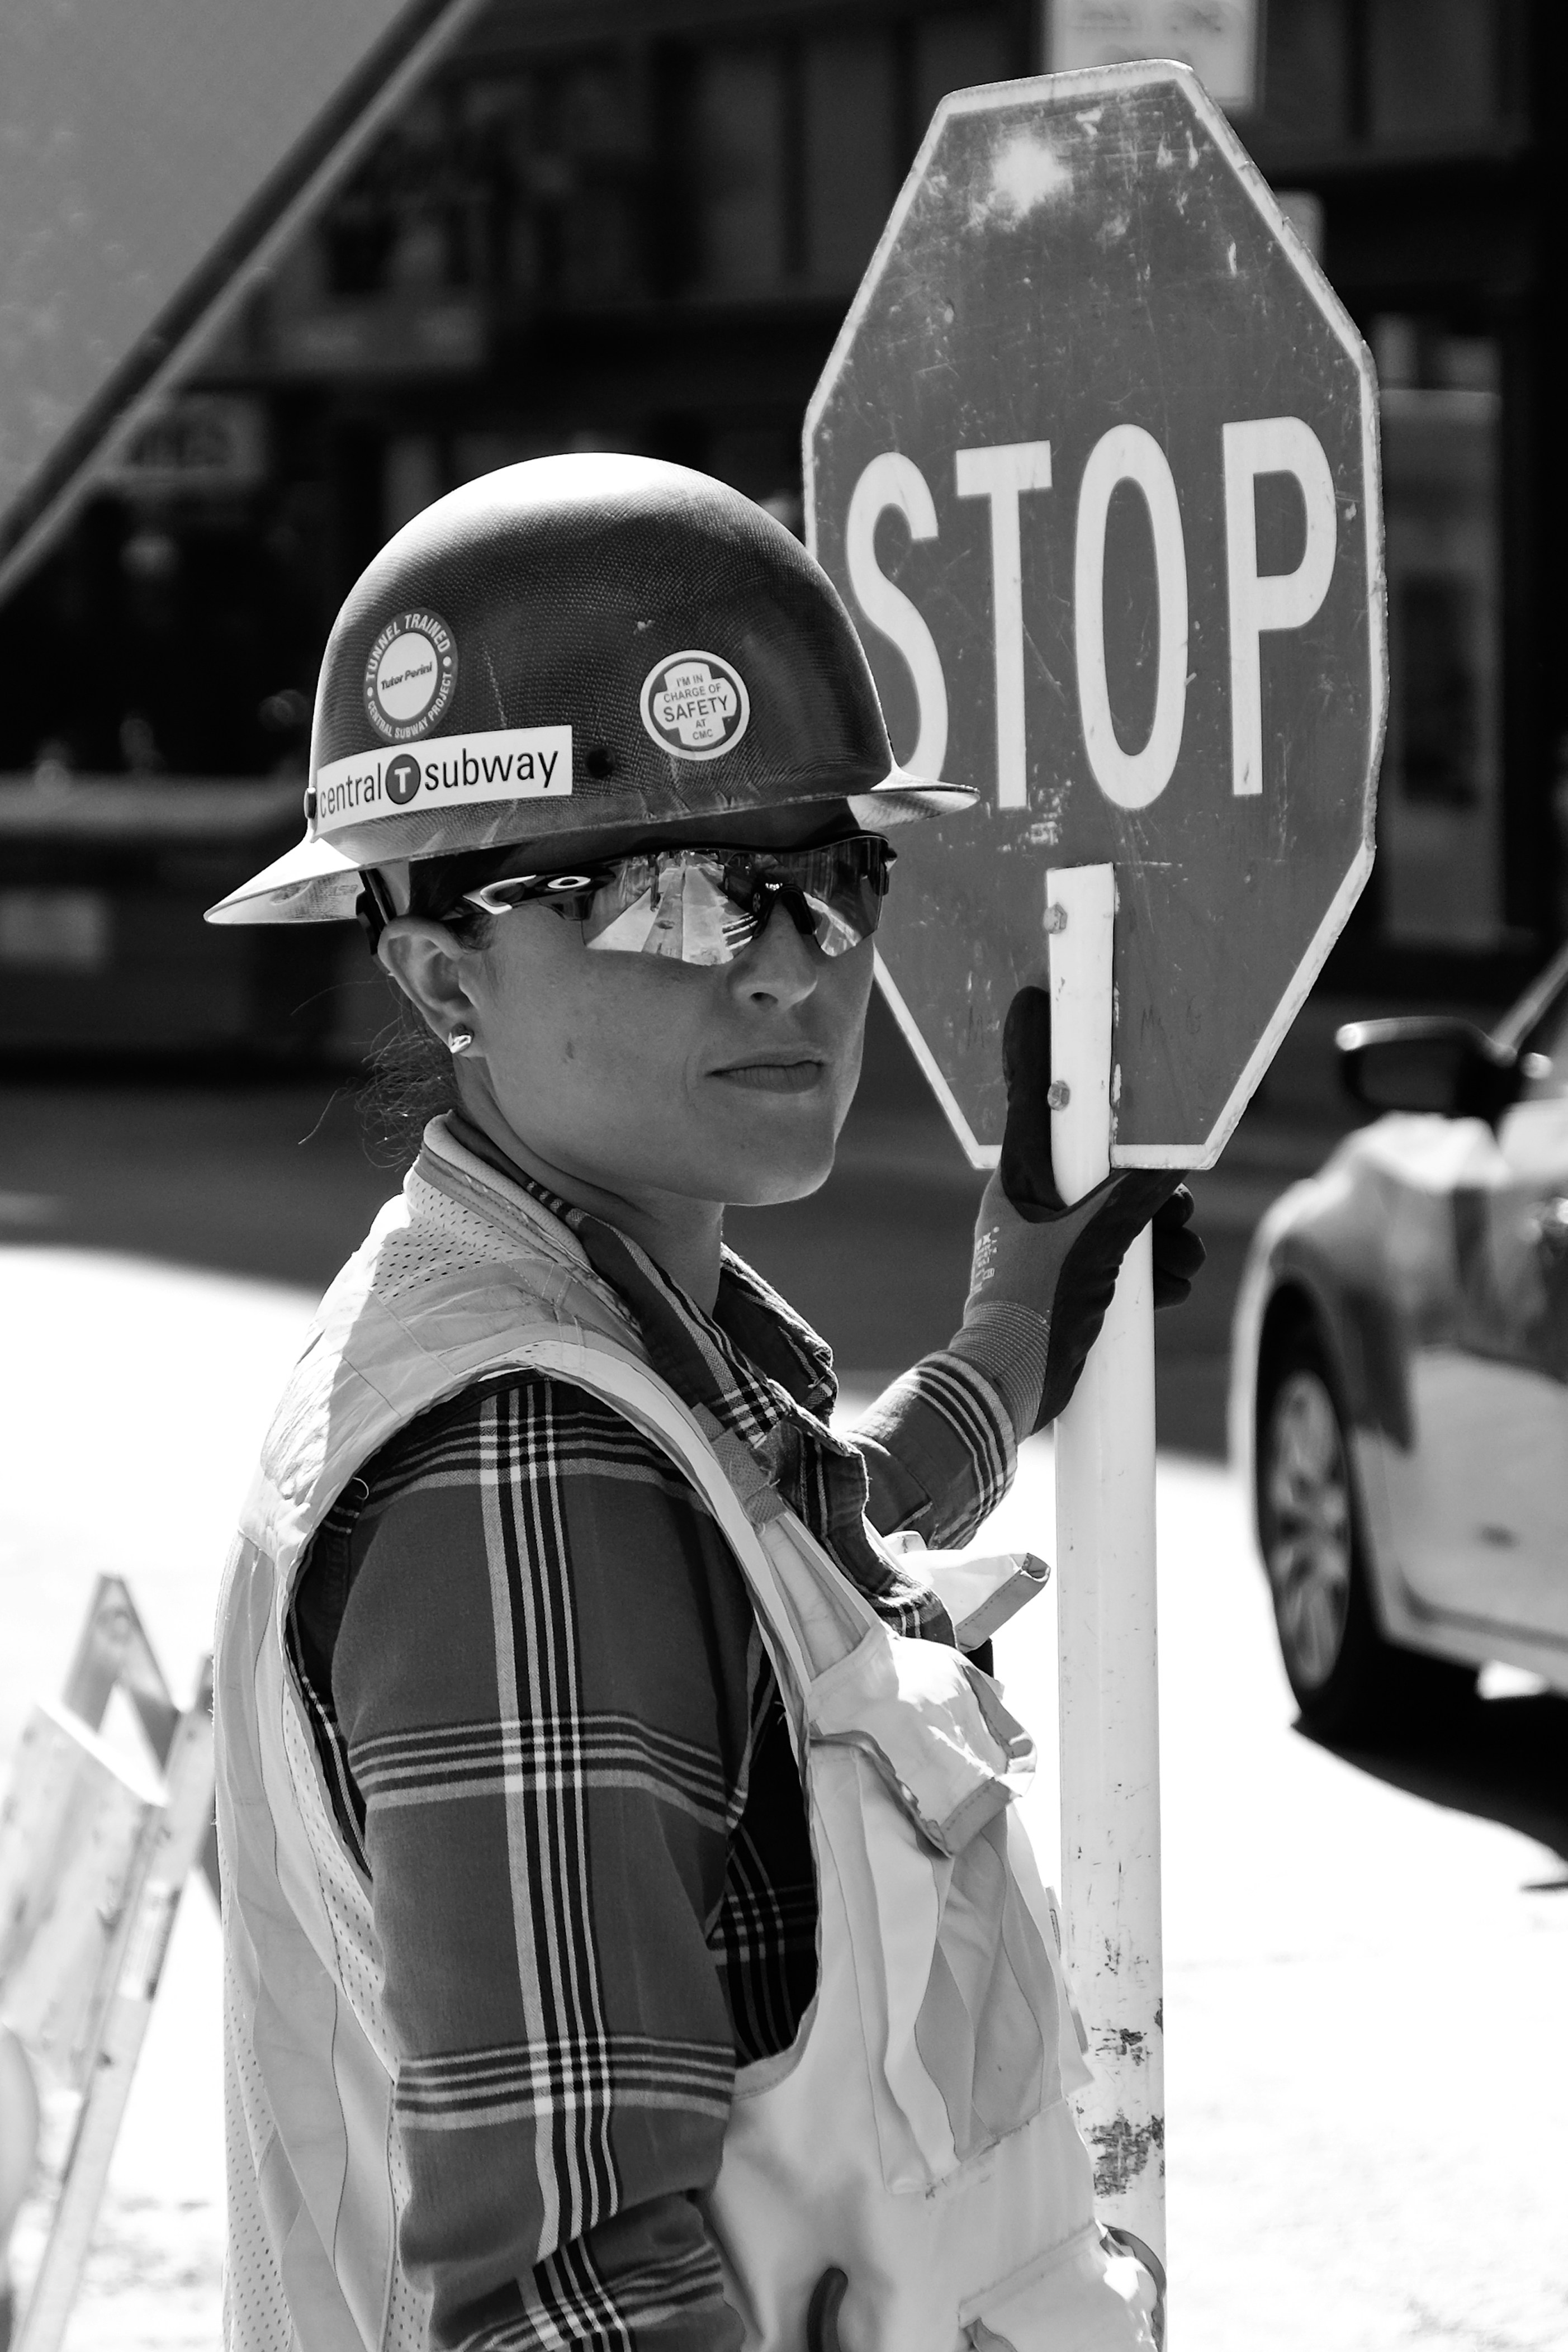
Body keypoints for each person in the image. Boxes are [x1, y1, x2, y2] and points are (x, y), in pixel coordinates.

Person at [205, 456, 1201, 2352]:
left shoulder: (592, 1340)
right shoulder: (516, 1467)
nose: (783, 965)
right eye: (663, 894)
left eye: (831, 880)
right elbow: (580, 2291)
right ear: (439, 975)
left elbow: (777, 1596)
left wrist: (1004, 1338)